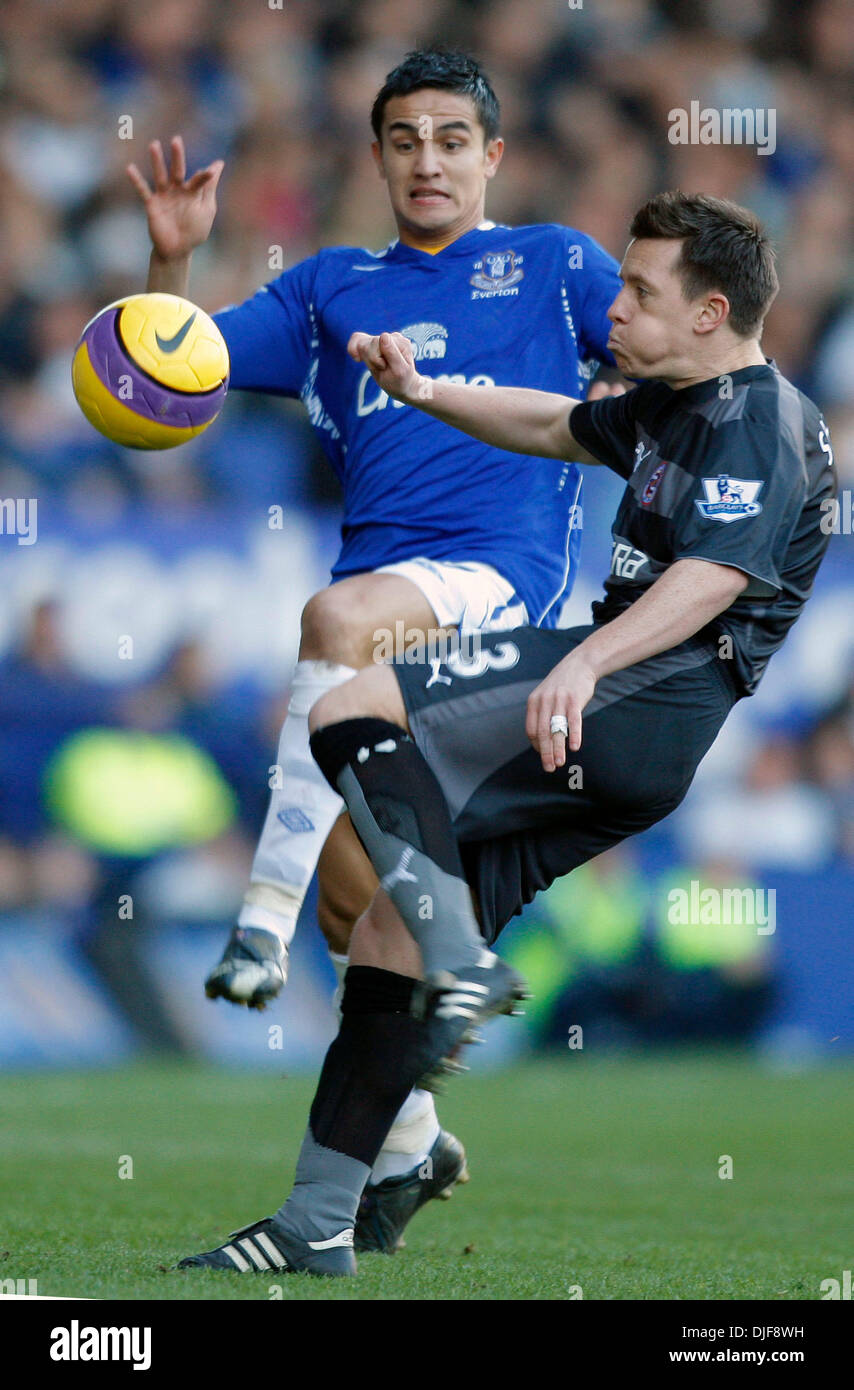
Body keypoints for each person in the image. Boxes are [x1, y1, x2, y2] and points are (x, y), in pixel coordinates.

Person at [176, 190, 835, 1278]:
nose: (610, 307)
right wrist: (424, 388)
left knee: (352, 702)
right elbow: (548, 423)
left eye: (637, 290)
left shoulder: (758, 419)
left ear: (711, 311)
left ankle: (455, 954)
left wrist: (586, 656)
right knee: (381, 937)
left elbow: (714, 574)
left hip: (639, 696)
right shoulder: (672, 401)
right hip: (628, 729)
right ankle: (316, 1221)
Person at [127, 47, 621, 1253]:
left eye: (452, 138)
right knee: (368, 910)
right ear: (379, 156)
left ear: (491, 156)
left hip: (505, 601)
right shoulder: (328, 290)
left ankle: (255, 919)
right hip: (393, 626)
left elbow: (672, 357)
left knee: (331, 623)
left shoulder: (557, 265)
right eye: (404, 139)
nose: (428, 160)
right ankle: (408, 1145)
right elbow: (159, 390)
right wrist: (175, 261)